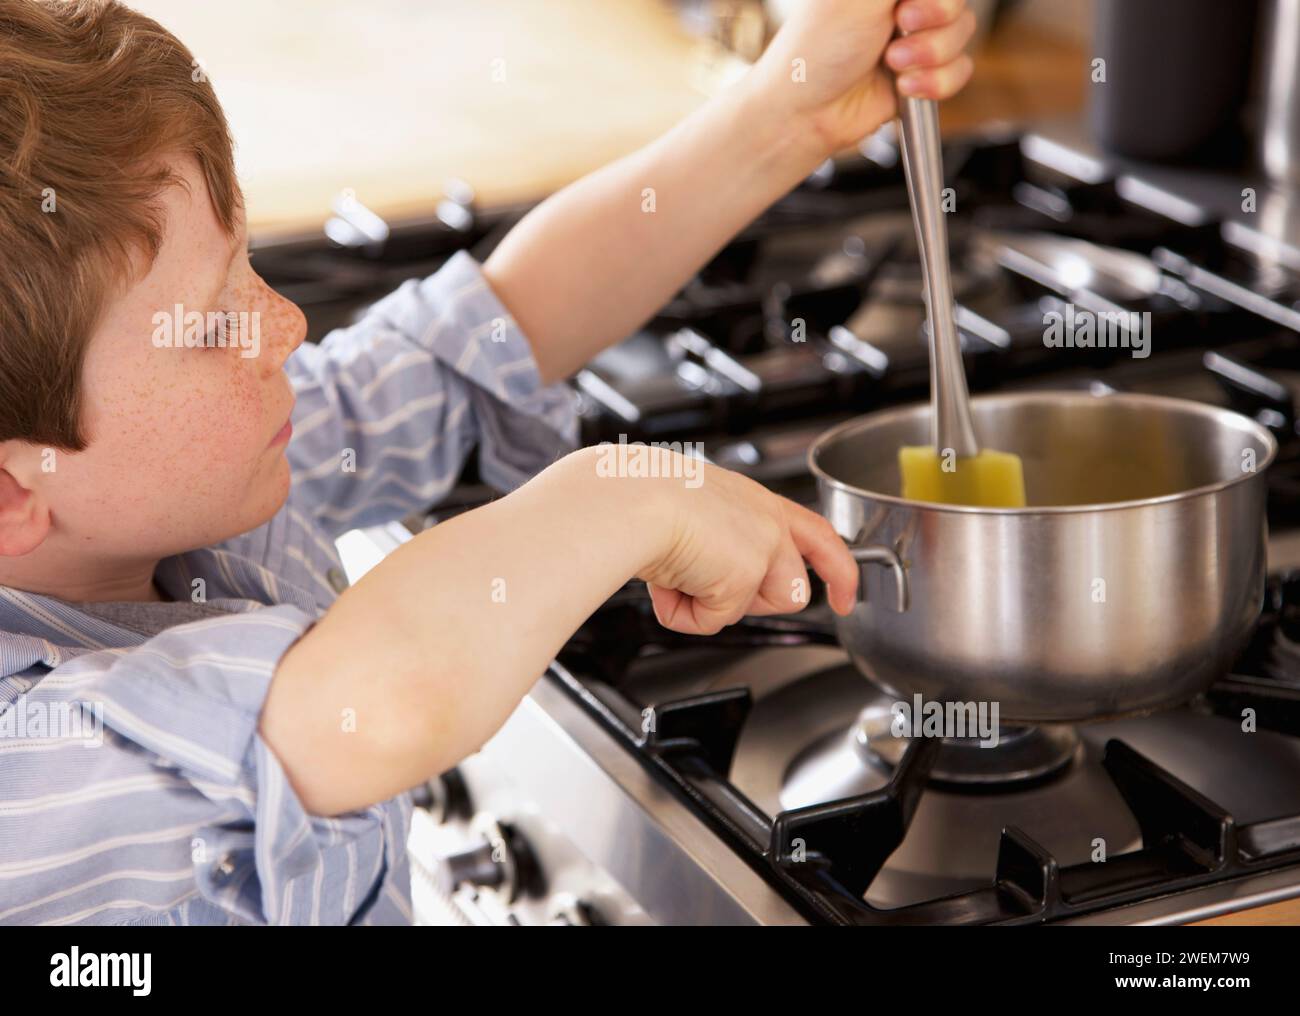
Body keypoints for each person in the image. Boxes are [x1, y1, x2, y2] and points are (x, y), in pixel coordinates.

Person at [0, 0, 977, 924]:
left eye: (248, 266)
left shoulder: (193, 490)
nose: (287, 324)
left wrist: (788, 112)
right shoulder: (28, 772)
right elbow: (363, 710)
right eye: (212, 323)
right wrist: (612, 499)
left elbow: (477, 339)